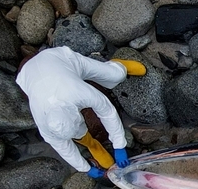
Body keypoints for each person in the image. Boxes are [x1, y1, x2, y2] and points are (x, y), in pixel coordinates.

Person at [15, 47, 146, 179]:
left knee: (115, 75)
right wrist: (85, 168)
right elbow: (63, 148)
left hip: (61, 61)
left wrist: (119, 145)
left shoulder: (78, 93)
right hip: (29, 75)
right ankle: (93, 146)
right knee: (78, 133)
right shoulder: (43, 123)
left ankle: (119, 66)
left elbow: (107, 111)